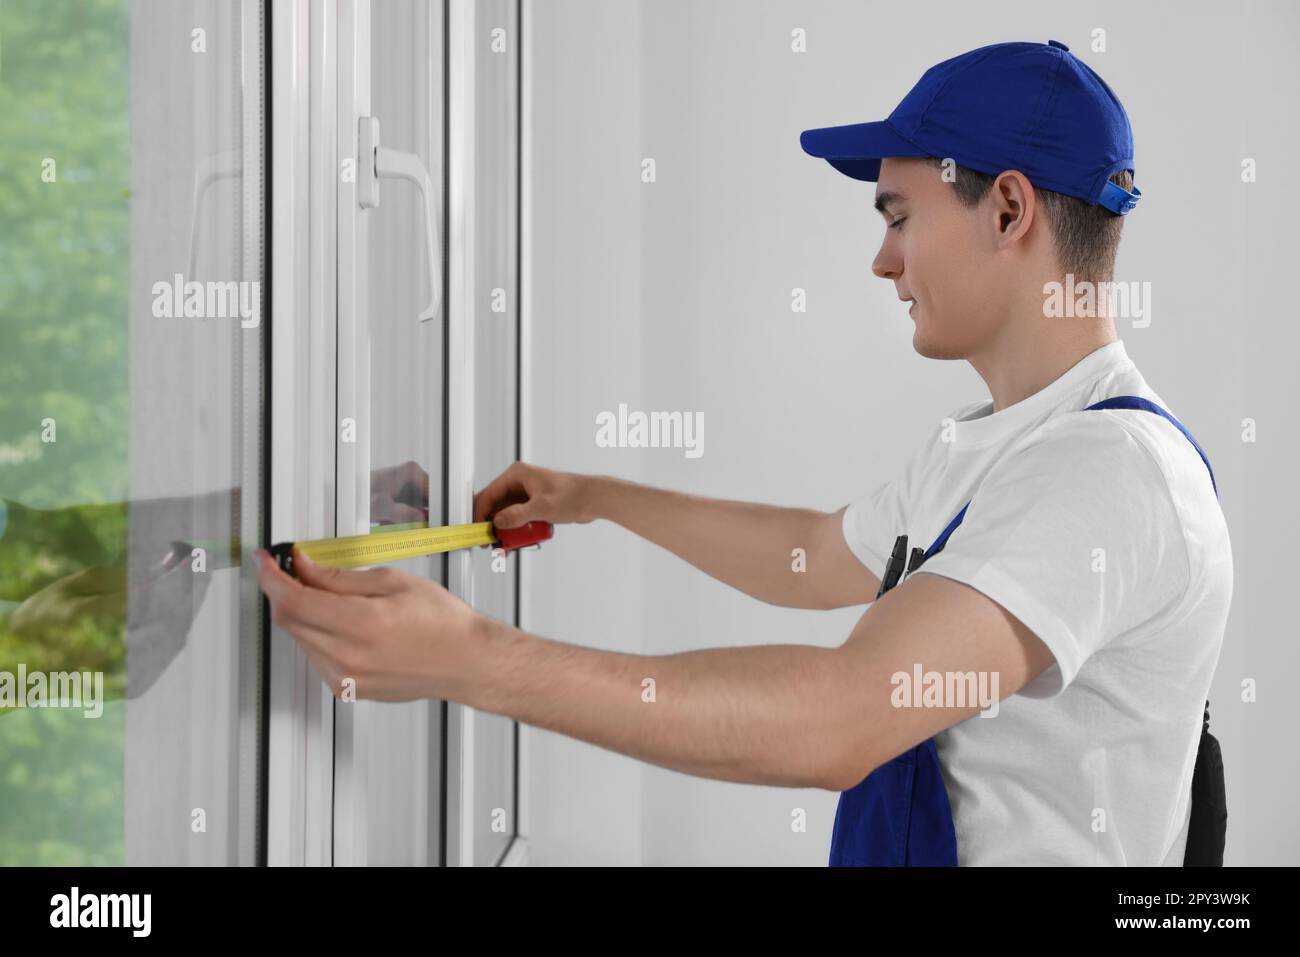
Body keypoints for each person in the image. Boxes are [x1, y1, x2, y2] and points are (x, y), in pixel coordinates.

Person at [255, 39, 1233, 866]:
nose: (882, 260)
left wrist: (472, 662)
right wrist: (594, 496)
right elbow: (815, 555)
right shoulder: (993, 448)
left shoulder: (1105, 476)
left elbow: (839, 719)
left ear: (1009, 211)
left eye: (898, 217)